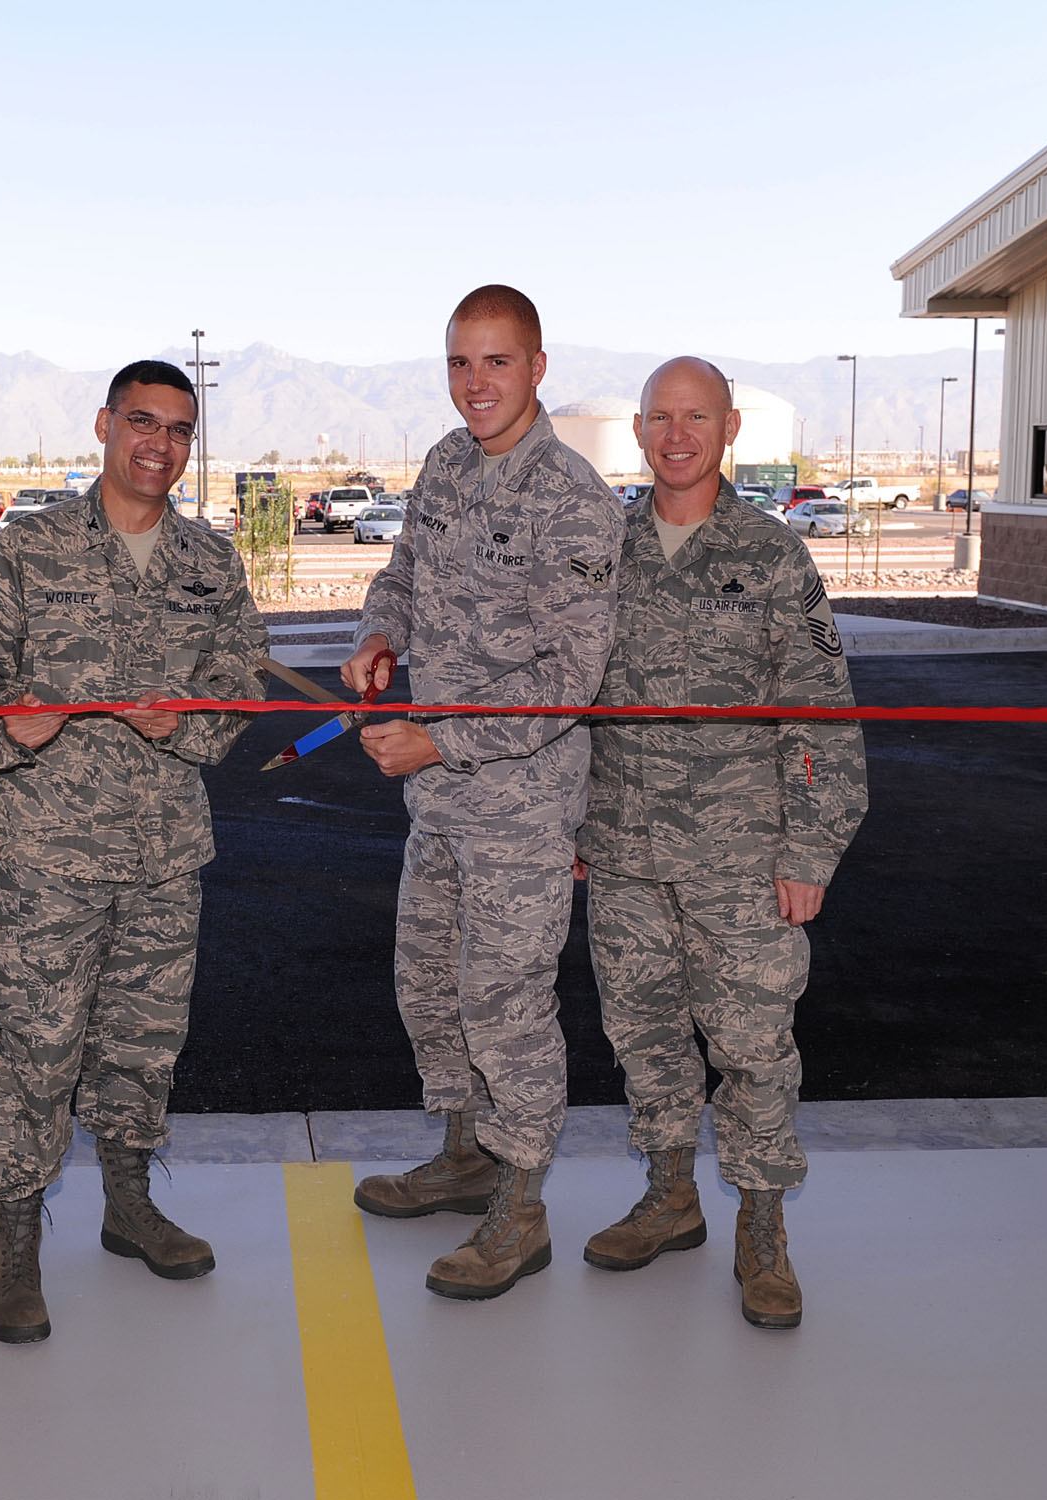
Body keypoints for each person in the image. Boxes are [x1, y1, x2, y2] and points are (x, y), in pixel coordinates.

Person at [0, 359, 268, 1344]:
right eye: (140, 423)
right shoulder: (30, 551)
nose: (157, 446)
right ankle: (15, 1240)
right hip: (44, 853)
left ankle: (129, 1207)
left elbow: (238, 683)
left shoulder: (209, 561)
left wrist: (188, 728)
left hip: (165, 853)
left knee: (143, 1044)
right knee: (33, 1051)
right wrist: (10, 725)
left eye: (176, 429)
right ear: (103, 426)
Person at [342, 285, 624, 1300]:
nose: (475, 384)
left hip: (521, 801)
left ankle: (522, 1205)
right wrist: (379, 635)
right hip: (442, 801)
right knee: (430, 982)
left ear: (537, 368)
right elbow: (404, 575)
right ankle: (465, 1155)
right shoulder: (446, 466)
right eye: (459, 362)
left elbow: (568, 680)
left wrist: (438, 739)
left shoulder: (573, 497)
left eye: (495, 362)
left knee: (506, 1000)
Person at [577, 356, 868, 1329]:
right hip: (622, 848)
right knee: (645, 1037)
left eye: (694, 417)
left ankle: (764, 1227)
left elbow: (821, 719)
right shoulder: (604, 550)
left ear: (729, 429)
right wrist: (573, 822)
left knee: (751, 1045)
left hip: (742, 859)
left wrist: (809, 856)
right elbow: (569, 698)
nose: (675, 435)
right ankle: (670, 1197)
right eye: (659, 417)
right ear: (639, 429)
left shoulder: (773, 556)